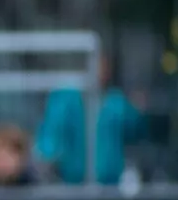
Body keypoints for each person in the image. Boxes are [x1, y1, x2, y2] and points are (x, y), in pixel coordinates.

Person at [35, 55, 146, 186]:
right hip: (73, 179)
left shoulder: (116, 102)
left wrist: (138, 111)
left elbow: (135, 130)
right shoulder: (69, 101)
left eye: (103, 67)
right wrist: (45, 155)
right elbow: (52, 132)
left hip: (111, 180)